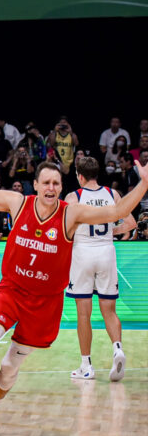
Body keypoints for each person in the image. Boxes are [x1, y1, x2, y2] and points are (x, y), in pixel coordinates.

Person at [0, 124, 148, 436]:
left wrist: (144, 184)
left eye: (56, 183)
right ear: (35, 185)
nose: (51, 188)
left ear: (61, 186)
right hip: (12, 291)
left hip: (45, 303)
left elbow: (118, 210)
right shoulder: (17, 203)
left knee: (11, 368)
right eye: (46, 183)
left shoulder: (71, 214)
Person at [64, 157, 133, 381]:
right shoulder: (112, 195)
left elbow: (66, 230)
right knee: (109, 311)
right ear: (97, 174)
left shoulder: (74, 197)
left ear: (80, 176)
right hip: (106, 252)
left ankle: (86, 366)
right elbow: (131, 224)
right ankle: (117, 348)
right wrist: (111, 232)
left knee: (84, 313)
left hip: (83, 253)